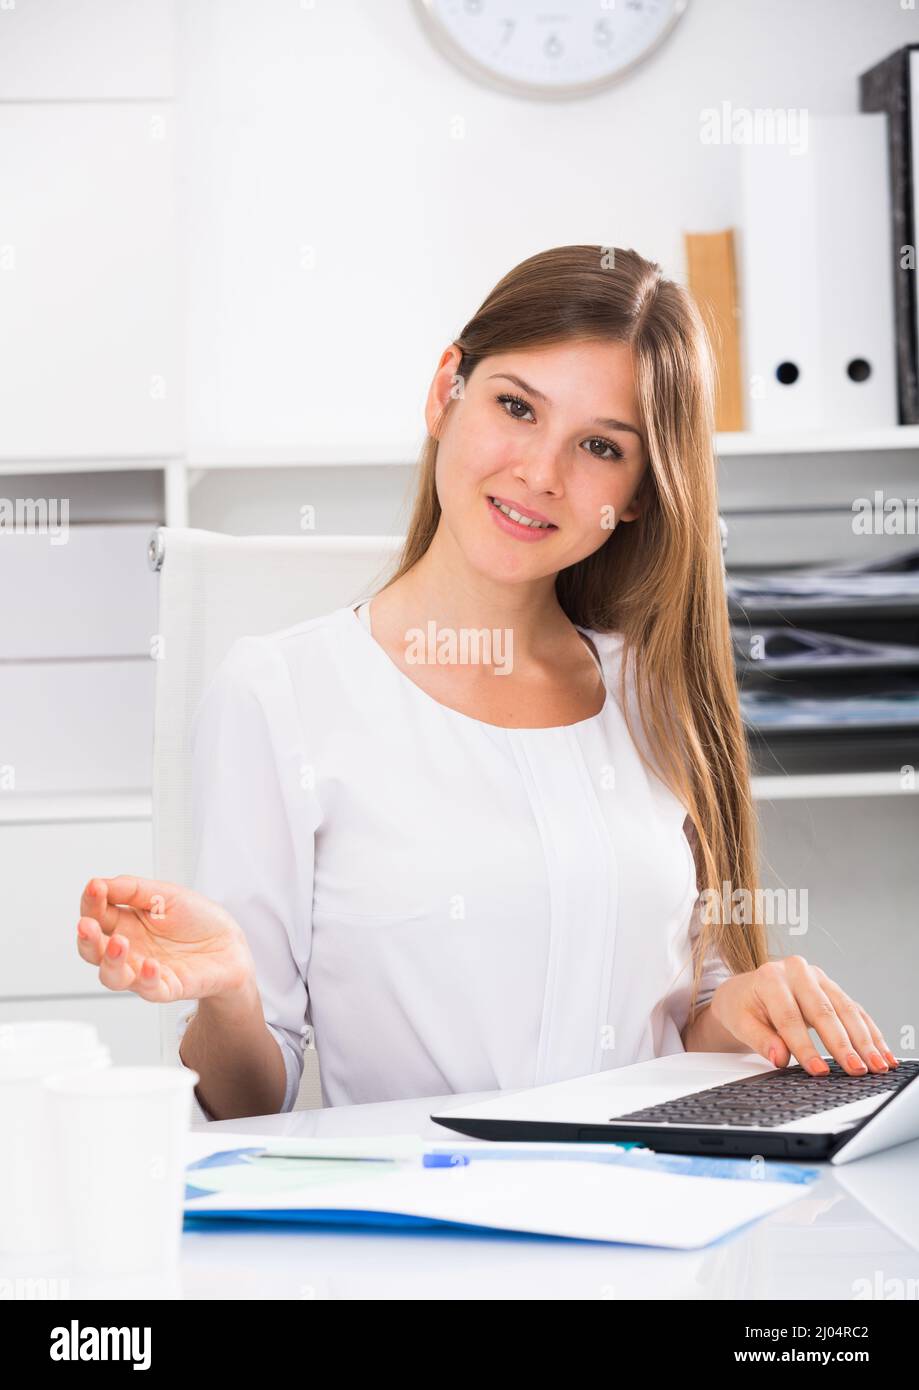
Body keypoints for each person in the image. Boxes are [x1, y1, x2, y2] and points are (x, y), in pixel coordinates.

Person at [76, 245, 897, 1121]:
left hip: (658, 1217)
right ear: (446, 392)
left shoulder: (651, 693)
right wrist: (232, 992)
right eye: (515, 406)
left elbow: (670, 1049)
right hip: (423, 1232)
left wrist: (733, 1013)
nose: (540, 473)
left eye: (598, 446)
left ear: (641, 496)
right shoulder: (281, 695)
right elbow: (246, 1106)